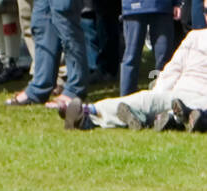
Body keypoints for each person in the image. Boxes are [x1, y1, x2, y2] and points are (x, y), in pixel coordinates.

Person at [63, 29, 207, 131]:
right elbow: (173, 69)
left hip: (202, 98)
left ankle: (170, 118)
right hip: (178, 94)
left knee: (197, 107)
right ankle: (89, 113)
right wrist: (157, 94)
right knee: (145, 99)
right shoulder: (195, 37)